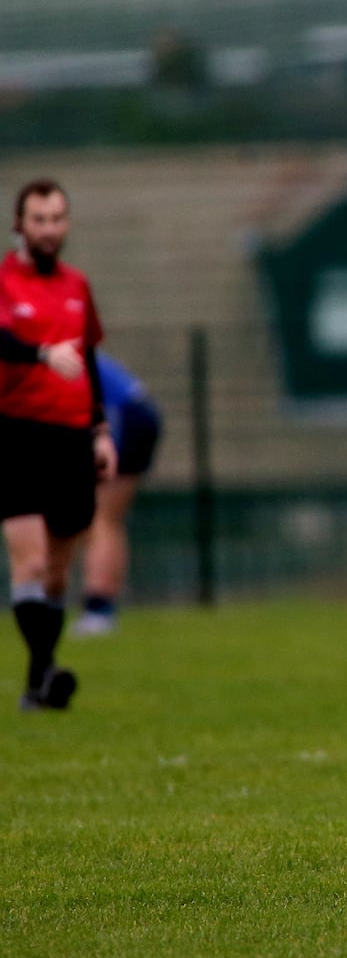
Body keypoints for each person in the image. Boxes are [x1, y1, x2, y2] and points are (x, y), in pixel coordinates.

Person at [1, 178, 117, 711]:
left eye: (56, 219)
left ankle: (38, 682)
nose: (49, 229)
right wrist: (42, 355)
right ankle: (46, 672)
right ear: (19, 225)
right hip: (18, 433)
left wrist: (101, 431)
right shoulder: (5, 282)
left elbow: (89, 360)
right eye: (39, 219)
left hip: (72, 436)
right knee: (28, 563)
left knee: (55, 572)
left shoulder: (77, 285)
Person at [70, 352, 162, 635]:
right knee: (104, 519)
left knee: (101, 518)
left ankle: (98, 608)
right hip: (133, 409)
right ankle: (101, 605)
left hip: (121, 413)